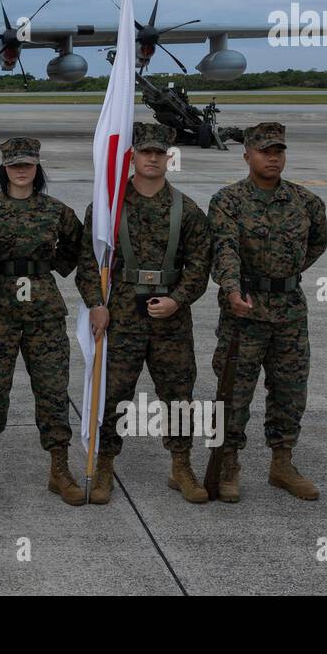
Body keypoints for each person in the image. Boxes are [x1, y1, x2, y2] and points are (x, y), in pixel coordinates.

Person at [76, 122, 212, 505]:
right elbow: (89, 261)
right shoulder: (107, 208)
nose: (152, 158)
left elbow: (200, 266)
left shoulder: (187, 210)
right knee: (114, 394)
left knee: (179, 393)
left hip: (170, 319)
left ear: (169, 157)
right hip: (120, 317)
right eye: (145, 152)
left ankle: (180, 465)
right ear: (132, 157)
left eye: (159, 153)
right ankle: (104, 464)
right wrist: (96, 304)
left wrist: (178, 299)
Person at [0, 137, 84, 505]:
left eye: (27, 163)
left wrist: (56, 267)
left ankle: (59, 469)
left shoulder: (57, 211)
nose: (21, 169)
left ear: (37, 167)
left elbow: (77, 245)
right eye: (14, 165)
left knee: (53, 391)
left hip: (44, 313)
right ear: (4, 169)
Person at [207, 121, 327, 502]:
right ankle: (228, 463)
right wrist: (232, 288)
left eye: (279, 151)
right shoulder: (228, 201)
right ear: (247, 156)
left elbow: (317, 244)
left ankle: (282, 462)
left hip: (290, 310)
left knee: (290, 390)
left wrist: (283, 277)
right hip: (244, 311)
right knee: (234, 392)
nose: (273, 157)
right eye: (264, 151)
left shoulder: (306, 201)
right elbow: (223, 249)